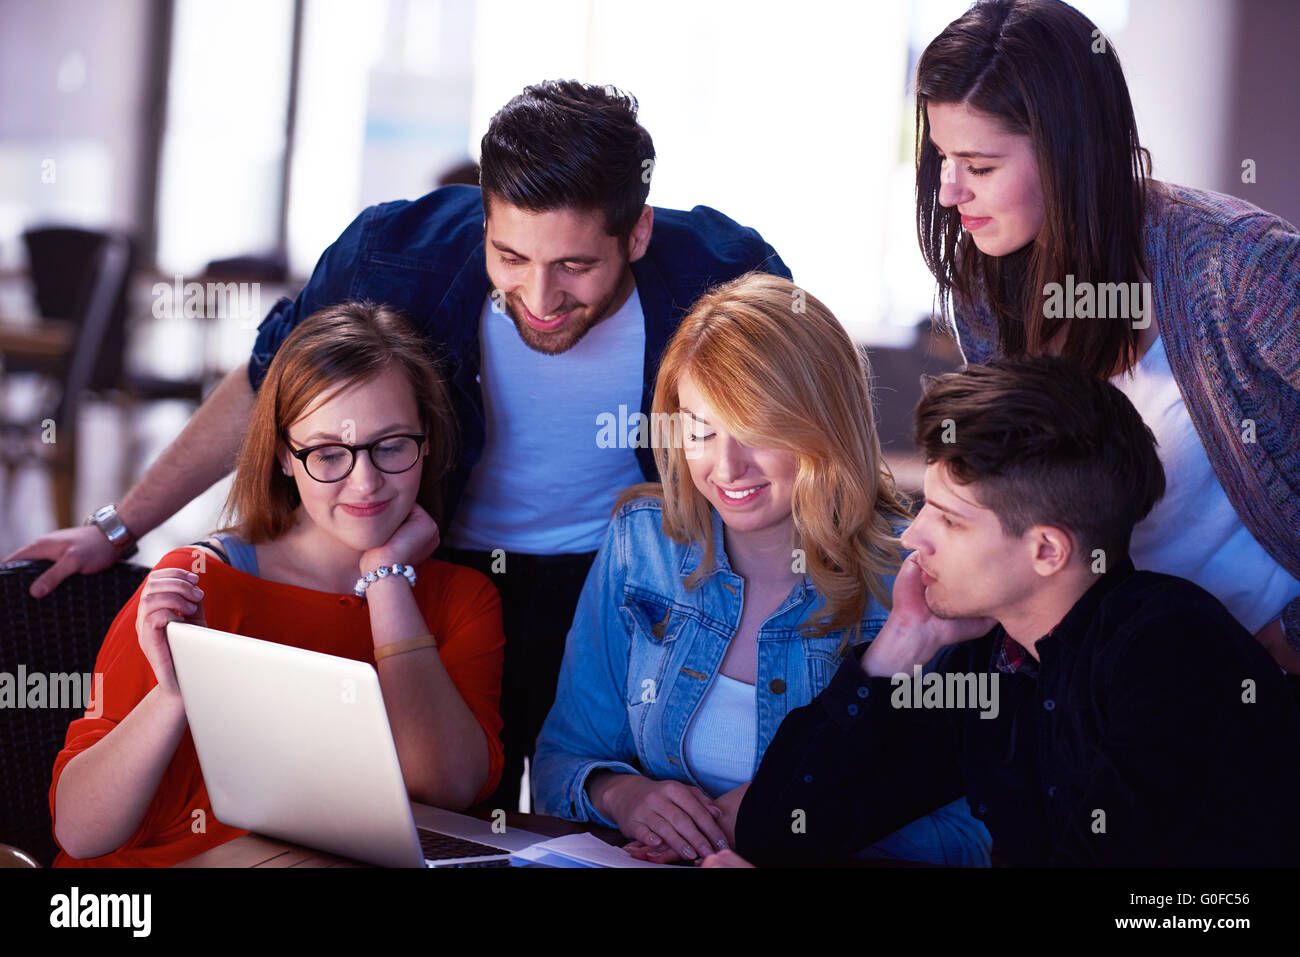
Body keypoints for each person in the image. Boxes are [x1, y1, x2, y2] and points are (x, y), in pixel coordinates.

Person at [10, 80, 790, 812]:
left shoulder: (723, 274)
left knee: (604, 816)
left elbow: (801, 418)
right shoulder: (393, 251)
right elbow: (266, 383)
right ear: (484, 220)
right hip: (438, 569)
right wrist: (119, 525)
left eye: (575, 265)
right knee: (438, 819)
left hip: (618, 590)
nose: (542, 299)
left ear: (639, 232)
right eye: (511, 258)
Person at [733, 357, 1300, 866]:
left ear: (1047, 551)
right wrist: (898, 646)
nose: (914, 537)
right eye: (925, 506)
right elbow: (776, 833)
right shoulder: (993, 661)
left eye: (950, 519)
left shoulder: (1170, 650)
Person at [532, 273, 992, 866]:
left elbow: (961, 838)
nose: (726, 467)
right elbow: (559, 761)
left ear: (823, 423)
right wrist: (624, 795)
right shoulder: (641, 541)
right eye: (700, 430)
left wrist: (762, 824)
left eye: (756, 431)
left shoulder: (918, 572)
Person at [913, 0, 1300, 670]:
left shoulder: (1241, 267)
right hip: (1102, 676)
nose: (948, 192)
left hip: (1255, 679)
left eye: (978, 167)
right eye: (942, 156)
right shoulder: (985, 288)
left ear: (1071, 155)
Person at [49, 303, 504, 867]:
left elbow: (447, 787)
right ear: (286, 458)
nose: (365, 482)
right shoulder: (197, 582)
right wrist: (175, 691)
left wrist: (385, 579)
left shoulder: (463, 599)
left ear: (427, 440)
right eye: (327, 454)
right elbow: (79, 833)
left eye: (390, 446)